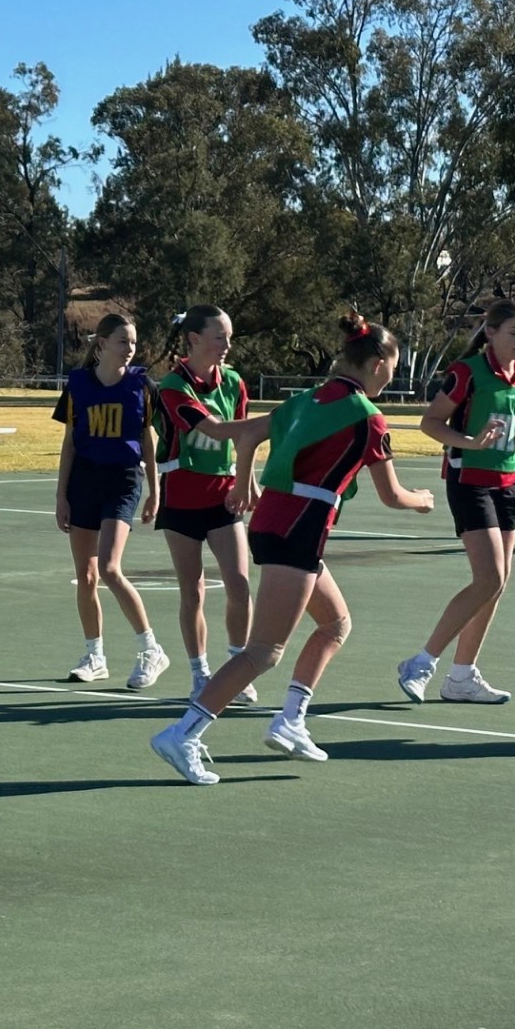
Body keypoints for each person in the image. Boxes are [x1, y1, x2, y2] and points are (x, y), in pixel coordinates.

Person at [151, 314, 435, 782]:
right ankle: (183, 734)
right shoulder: (367, 416)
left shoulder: (304, 399)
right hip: (297, 530)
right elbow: (392, 495)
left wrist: (245, 485)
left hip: (275, 523)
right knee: (262, 651)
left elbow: (245, 435)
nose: (393, 375)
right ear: (378, 363)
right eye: (394, 366)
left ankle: (291, 721)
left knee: (336, 623)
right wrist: (421, 500)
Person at [394, 300, 515, 704]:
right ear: (490, 332)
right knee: (487, 578)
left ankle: (462, 676)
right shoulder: (466, 373)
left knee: (497, 585)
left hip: (509, 481)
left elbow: (511, 437)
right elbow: (430, 422)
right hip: (470, 479)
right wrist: (469, 443)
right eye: (514, 333)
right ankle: (420, 662)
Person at [148, 305, 269, 700]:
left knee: (239, 583)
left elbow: (242, 440)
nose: (227, 345)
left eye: (229, 337)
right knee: (193, 590)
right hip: (182, 499)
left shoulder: (234, 382)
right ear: (195, 340)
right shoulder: (172, 387)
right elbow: (215, 431)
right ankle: (200, 673)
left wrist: (246, 484)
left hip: (223, 498)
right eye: (219, 337)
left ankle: (238, 670)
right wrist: (279, 421)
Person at [52, 313, 167, 686]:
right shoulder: (79, 385)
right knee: (86, 576)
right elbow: (69, 444)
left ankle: (152, 649)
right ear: (101, 343)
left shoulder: (141, 386)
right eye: (123, 341)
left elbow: (148, 442)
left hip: (123, 480)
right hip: (84, 481)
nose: (130, 349)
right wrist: (61, 497)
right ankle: (95, 655)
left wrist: (155, 490)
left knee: (109, 568)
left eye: (133, 342)